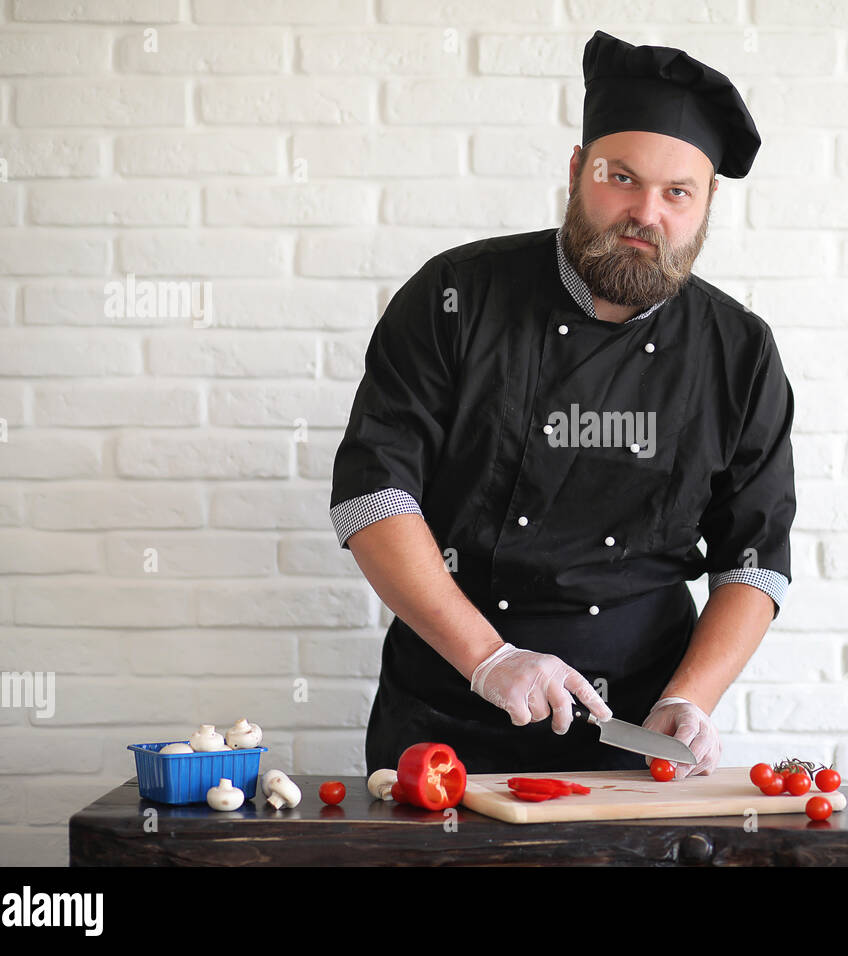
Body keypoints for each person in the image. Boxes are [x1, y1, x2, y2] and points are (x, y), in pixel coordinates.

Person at [330, 30, 796, 777]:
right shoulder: (455, 298)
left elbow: (756, 562)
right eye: (621, 178)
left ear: (707, 203)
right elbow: (371, 495)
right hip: (448, 725)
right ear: (578, 171)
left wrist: (693, 700)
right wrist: (490, 658)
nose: (645, 212)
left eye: (678, 191)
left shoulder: (738, 351)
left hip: (639, 735)